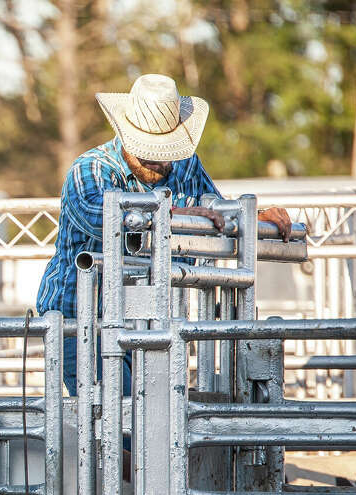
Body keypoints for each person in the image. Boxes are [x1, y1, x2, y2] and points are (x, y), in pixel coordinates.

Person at [36, 73, 292, 395]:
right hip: (85, 319)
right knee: (123, 419)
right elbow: (101, 218)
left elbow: (215, 210)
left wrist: (252, 216)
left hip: (154, 318)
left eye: (165, 150)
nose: (158, 160)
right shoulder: (91, 170)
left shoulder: (186, 165)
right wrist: (173, 214)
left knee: (156, 417)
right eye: (148, 151)